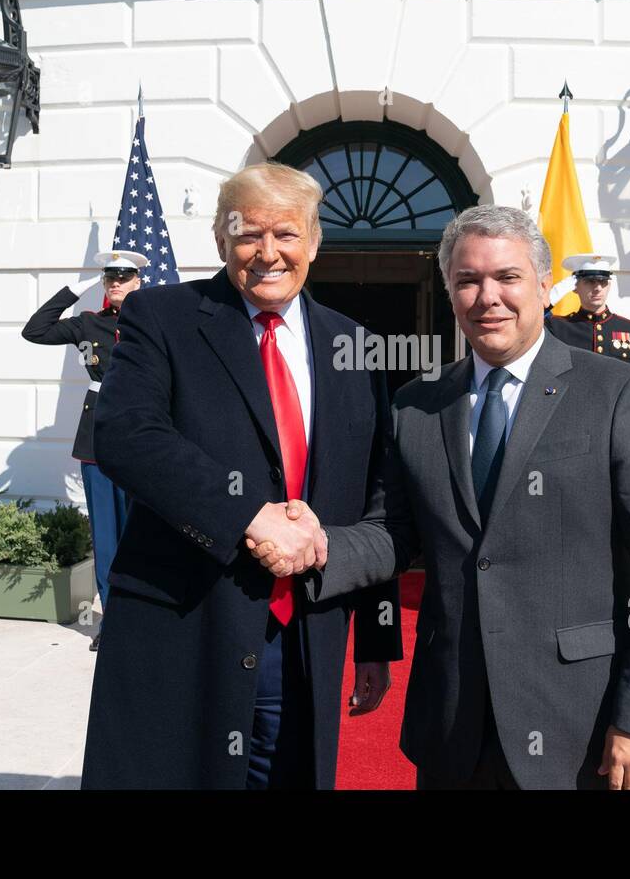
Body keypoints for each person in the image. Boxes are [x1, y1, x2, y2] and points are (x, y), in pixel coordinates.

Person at [256, 205, 630, 790]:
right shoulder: (417, 404)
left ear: (544, 285)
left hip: (583, 724)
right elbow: (394, 532)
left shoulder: (620, 395)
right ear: (450, 292)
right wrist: (316, 547)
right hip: (453, 721)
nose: (487, 296)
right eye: (468, 280)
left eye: (507, 278)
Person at [79, 163, 402, 789]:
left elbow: (378, 497)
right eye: (248, 233)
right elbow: (126, 435)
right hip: (185, 630)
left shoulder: (355, 344)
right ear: (221, 241)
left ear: (313, 241)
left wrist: (376, 638)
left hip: (306, 634)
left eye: (286, 233)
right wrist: (247, 517)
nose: (268, 252)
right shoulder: (161, 316)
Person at [21, 250, 147, 651]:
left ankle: (144, 616)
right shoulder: (89, 323)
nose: (115, 284)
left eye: (123, 278)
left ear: (138, 281)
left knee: (141, 536)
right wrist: (75, 288)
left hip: (144, 438)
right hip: (97, 439)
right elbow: (35, 330)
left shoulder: (155, 322)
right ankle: (113, 621)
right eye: (110, 278)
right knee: (107, 536)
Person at [546, 253, 630, 367]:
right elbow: (528, 325)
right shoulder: (557, 327)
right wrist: (551, 298)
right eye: (590, 282)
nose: (598, 288)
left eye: (603, 282)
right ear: (575, 287)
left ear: (609, 285)